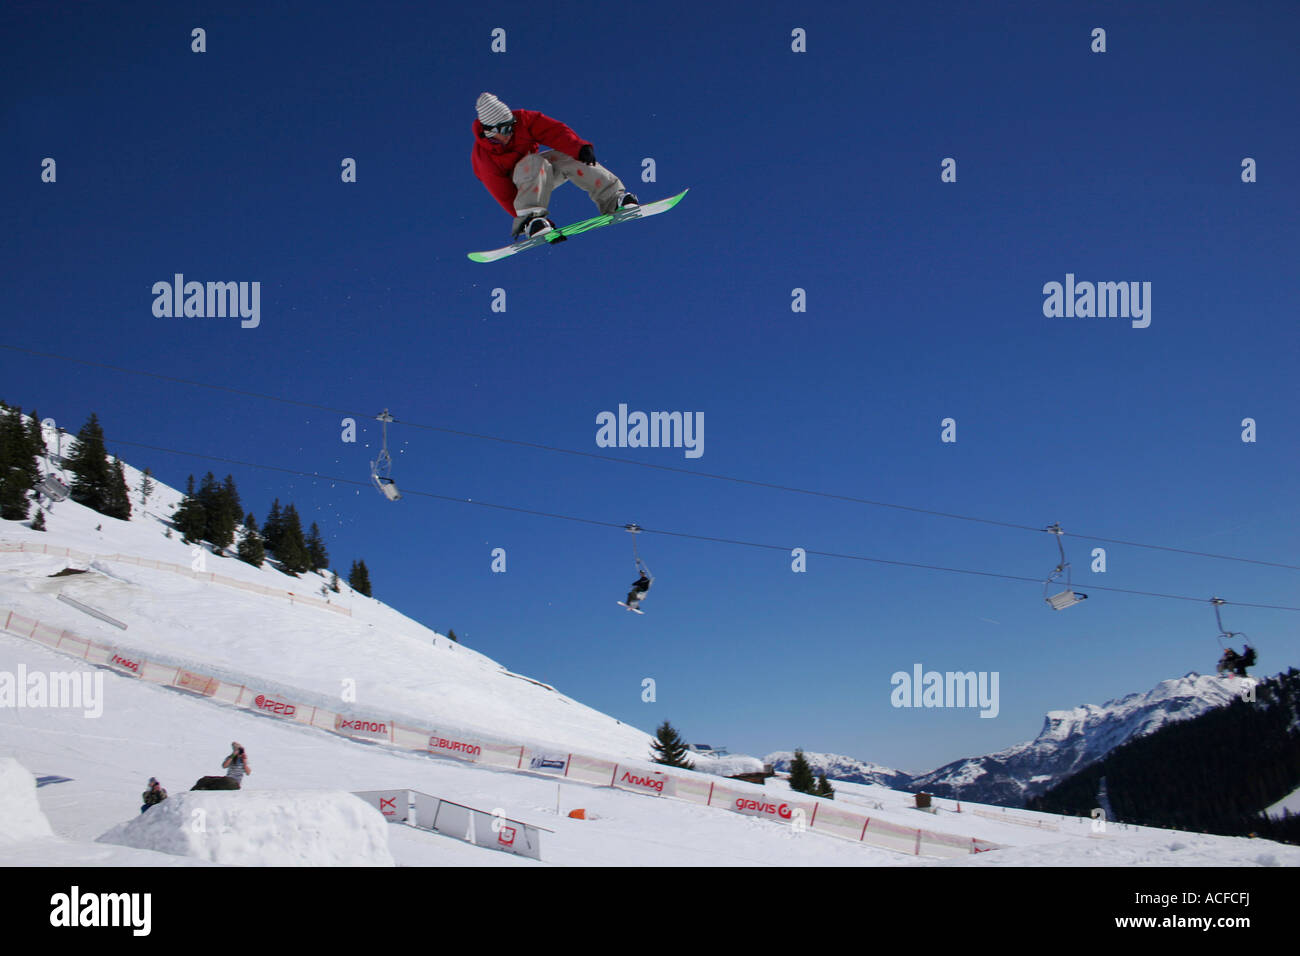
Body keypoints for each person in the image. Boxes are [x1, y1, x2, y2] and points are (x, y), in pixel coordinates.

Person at [472, 92, 639, 241]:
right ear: (491, 131)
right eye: (505, 129)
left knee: (565, 155)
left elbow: (554, 131)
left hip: (541, 174)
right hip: (519, 191)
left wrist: (579, 147)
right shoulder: (483, 157)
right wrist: (527, 221)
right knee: (533, 162)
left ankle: (613, 200)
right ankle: (532, 219)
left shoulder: (524, 120)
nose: (510, 132)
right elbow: (504, 195)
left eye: (511, 125)